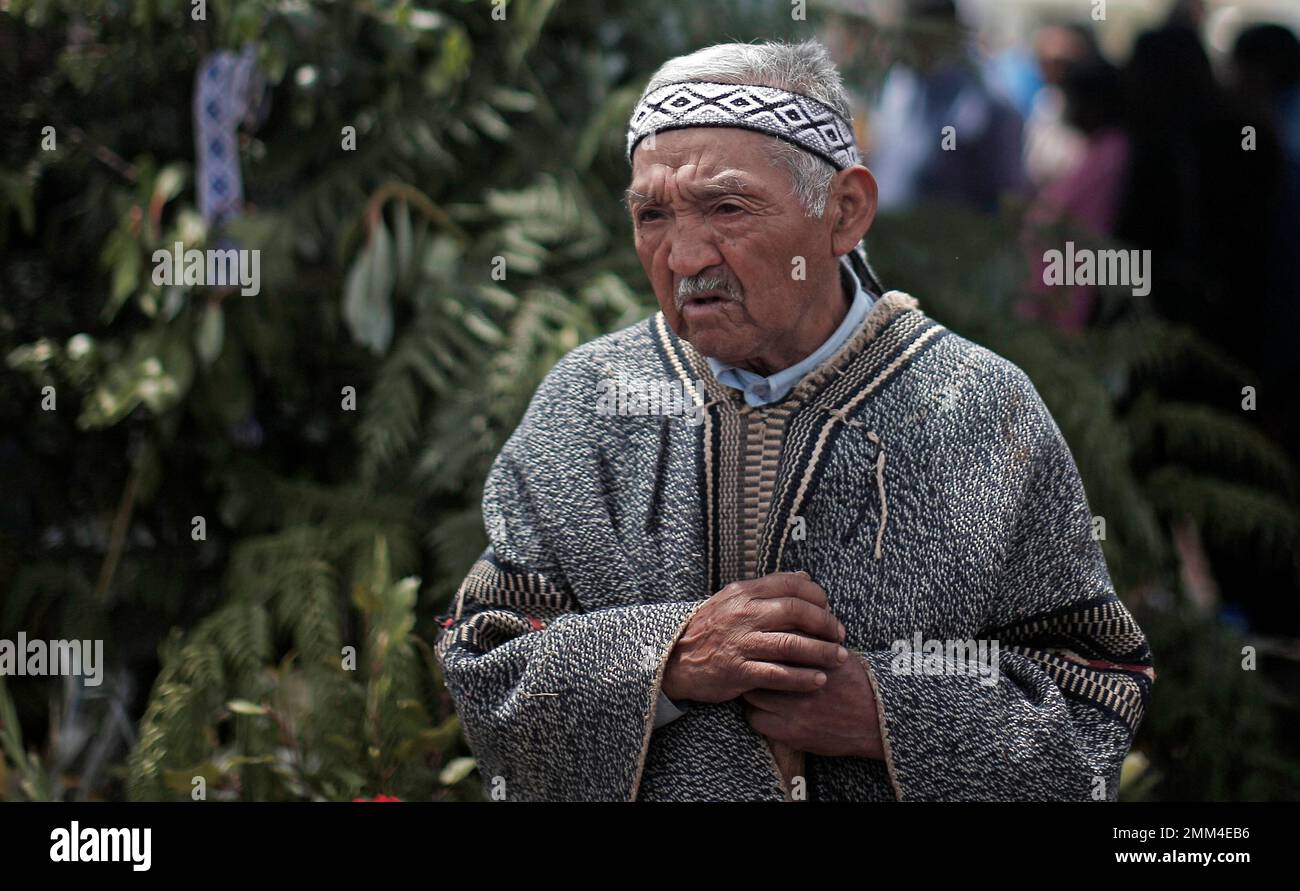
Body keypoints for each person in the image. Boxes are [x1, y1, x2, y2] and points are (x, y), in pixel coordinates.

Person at [435, 39, 1155, 802]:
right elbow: (484, 656)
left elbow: (1095, 688)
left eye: (726, 206)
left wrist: (887, 712)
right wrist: (667, 659)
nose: (682, 257)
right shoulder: (591, 403)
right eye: (652, 214)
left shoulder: (976, 407)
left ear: (844, 211)